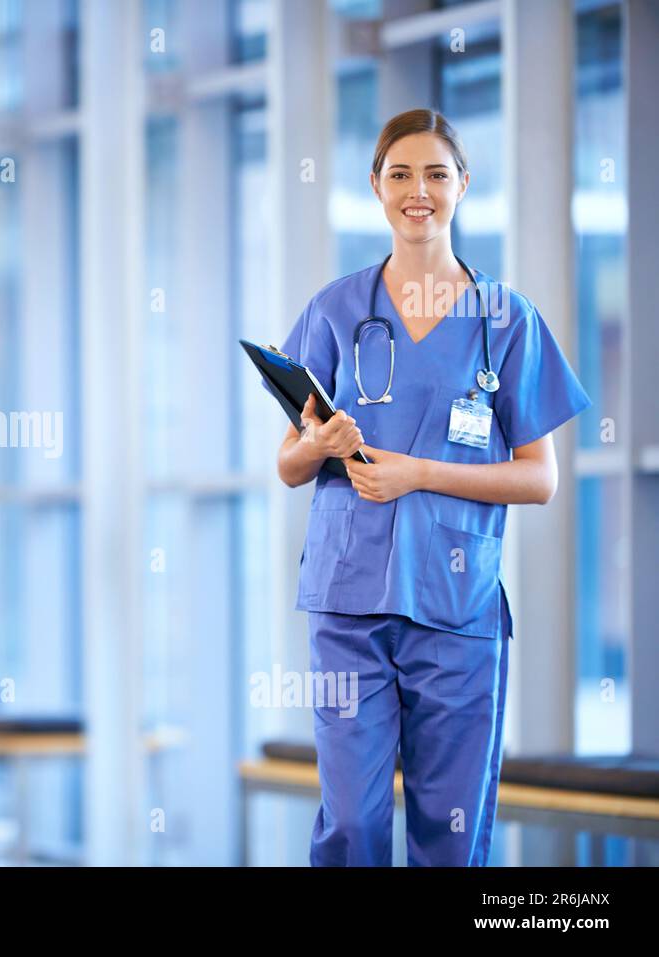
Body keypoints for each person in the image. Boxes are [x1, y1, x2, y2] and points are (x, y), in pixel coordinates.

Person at [275, 108, 591, 866]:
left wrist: (418, 473)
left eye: (437, 174)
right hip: (348, 604)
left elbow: (539, 477)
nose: (419, 190)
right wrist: (317, 442)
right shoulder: (335, 309)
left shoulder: (506, 319)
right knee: (350, 826)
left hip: (456, 611)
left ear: (463, 186)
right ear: (377, 187)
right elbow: (289, 465)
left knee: (448, 836)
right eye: (400, 174)